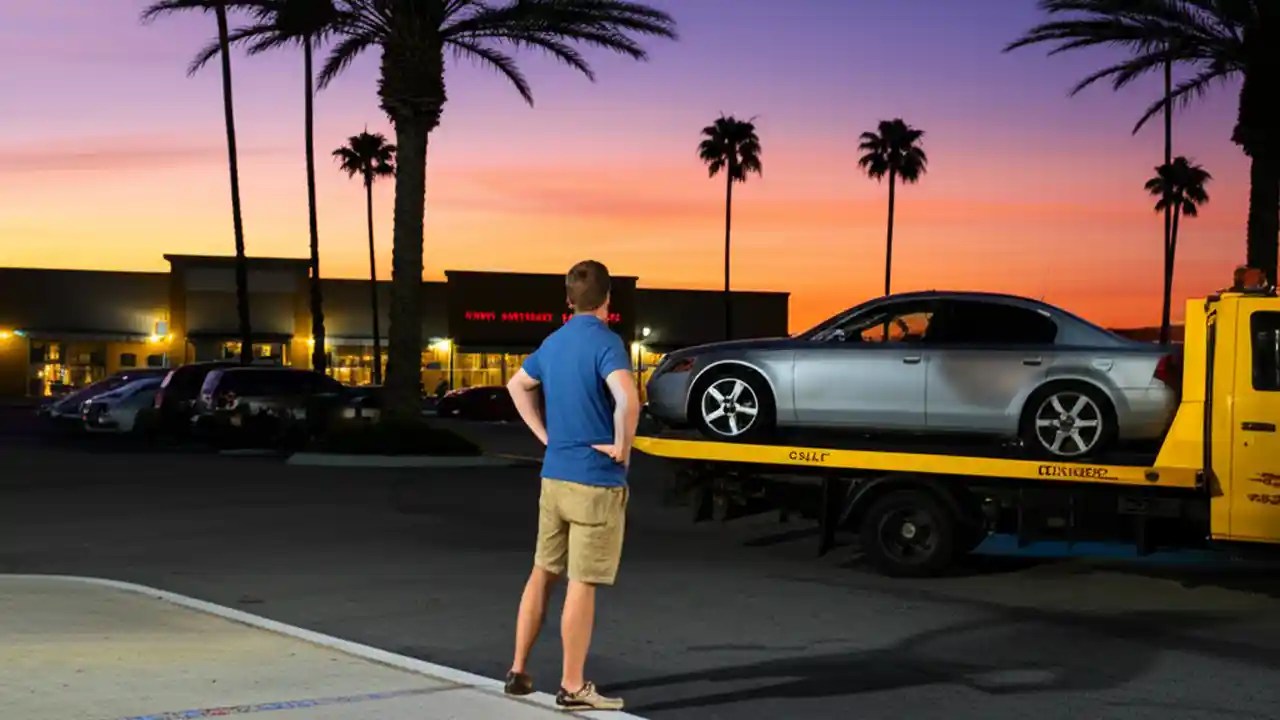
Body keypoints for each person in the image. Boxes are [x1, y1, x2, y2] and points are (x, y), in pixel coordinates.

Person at [503, 259, 640, 711]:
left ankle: (519, 670)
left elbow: (517, 385)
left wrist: (545, 436)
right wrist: (622, 445)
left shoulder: (553, 342)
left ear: (568, 299)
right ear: (608, 300)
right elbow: (627, 398)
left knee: (543, 572)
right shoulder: (607, 343)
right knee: (582, 583)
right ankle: (572, 684)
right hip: (594, 483)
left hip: (554, 478)